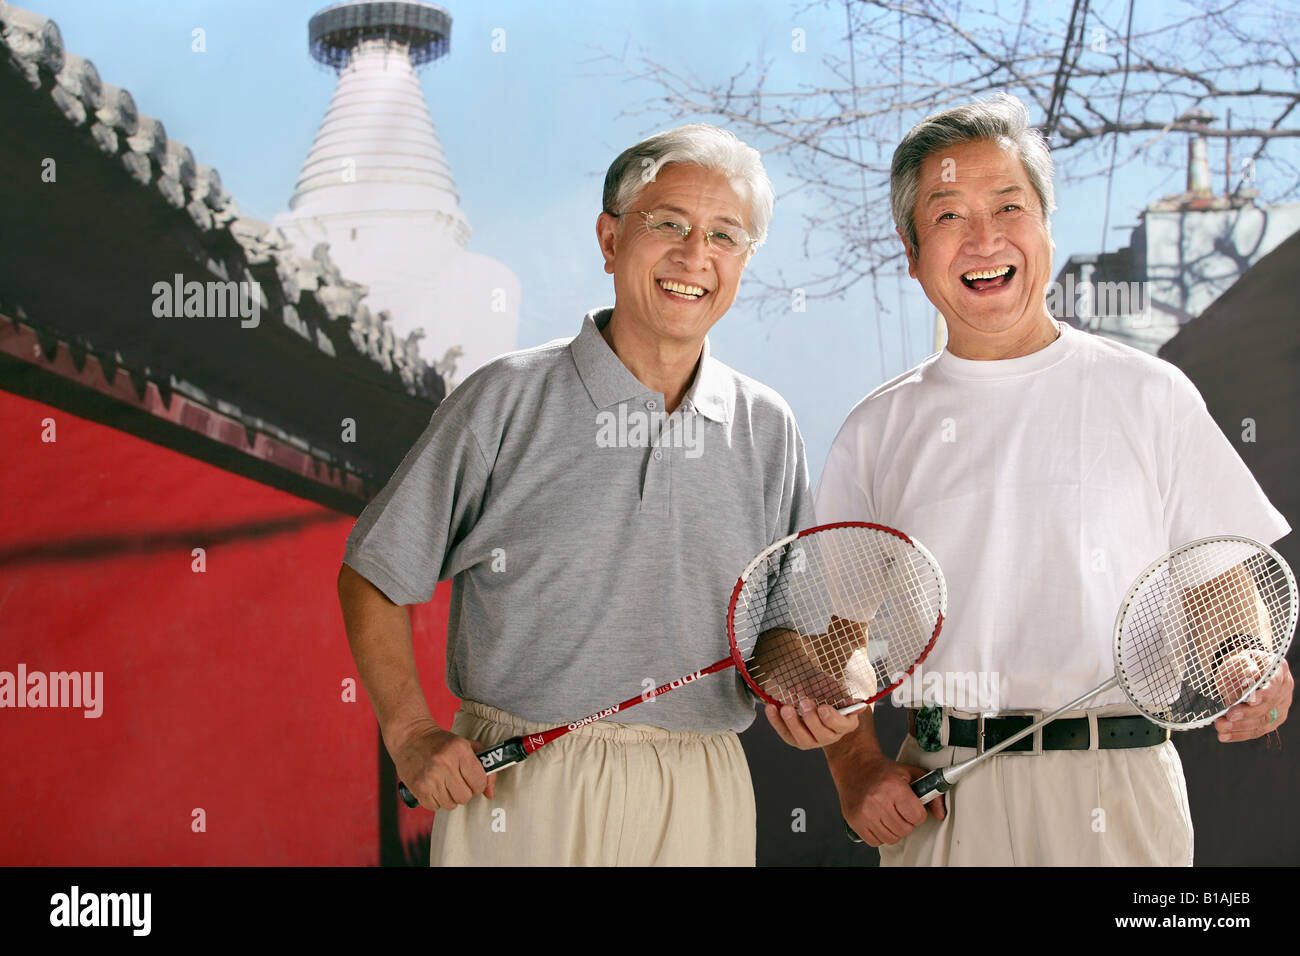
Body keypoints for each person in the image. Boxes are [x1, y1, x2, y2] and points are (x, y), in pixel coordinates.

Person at [336, 123, 857, 866]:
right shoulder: (503, 401)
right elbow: (373, 575)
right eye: (668, 224)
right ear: (610, 239)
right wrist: (411, 732)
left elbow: (783, 630)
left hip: (700, 784)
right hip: (519, 783)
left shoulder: (768, 426)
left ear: (745, 260)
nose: (694, 255)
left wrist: (803, 681)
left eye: (724, 236)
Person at [813, 93, 1293, 865]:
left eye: (1010, 206)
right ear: (912, 253)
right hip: (943, 799)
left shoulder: (1151, 393)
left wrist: (1246, 655)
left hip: (1122, 789)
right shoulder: (877, 430)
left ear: (1045, 226)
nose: (984, 239)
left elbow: (1218, 582)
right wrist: (855, 766)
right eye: (948, 217)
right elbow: (835, 637)